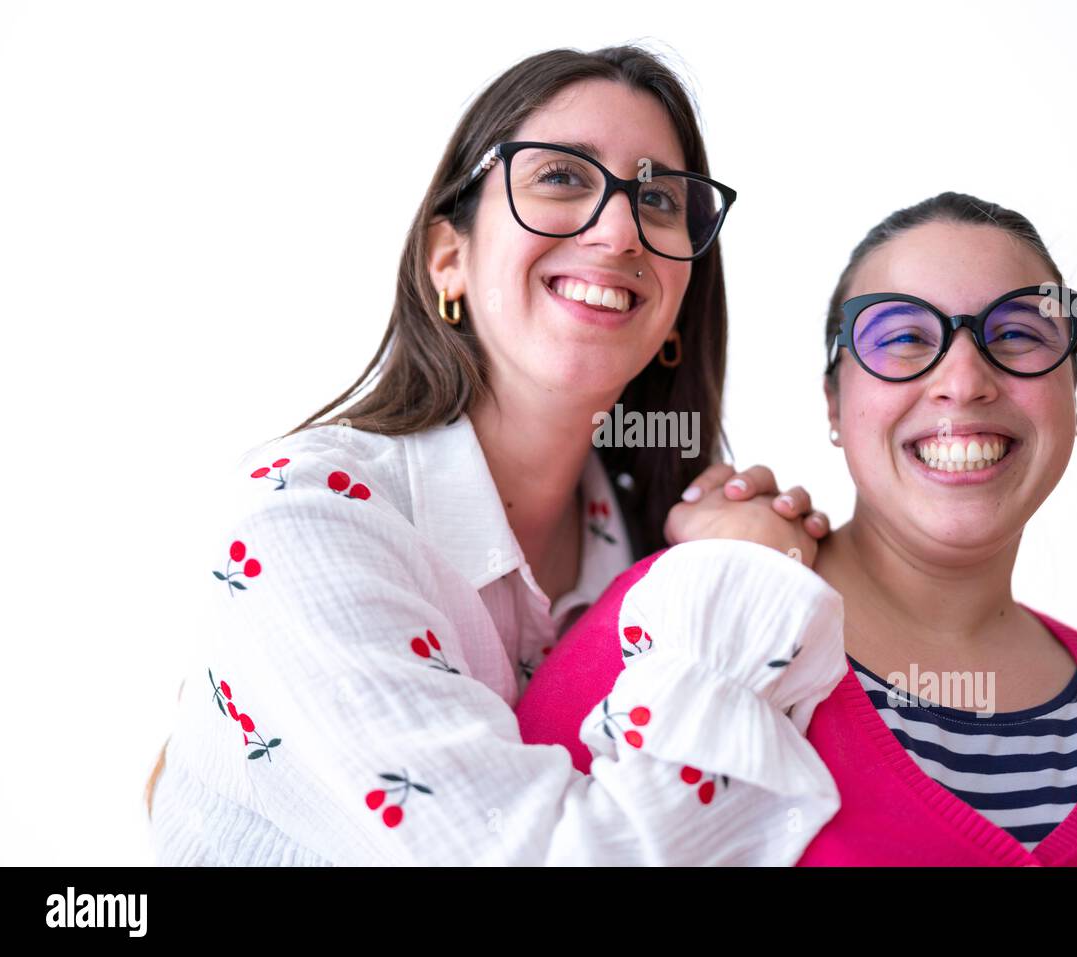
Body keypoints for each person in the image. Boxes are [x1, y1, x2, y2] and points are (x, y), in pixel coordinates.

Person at [144, 44, 848, 866]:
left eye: (657, 198)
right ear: (449, 259)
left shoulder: (661, 541)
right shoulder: (303, 519)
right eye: (560, 177)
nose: (620, 229)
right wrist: (740, 590)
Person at [515, 191, 1077, 866]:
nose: (964, 379)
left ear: (1072, 390)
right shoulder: (679, 620)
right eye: (902, 337)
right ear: (835, 405)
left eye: (1019, 332)